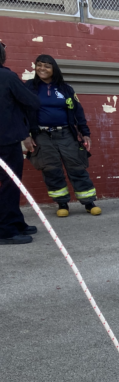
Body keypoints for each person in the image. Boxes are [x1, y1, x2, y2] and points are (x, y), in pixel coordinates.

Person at [26, 54, 101, 217]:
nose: (42, 68)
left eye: (46, 66)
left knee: (76, 166)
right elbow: (23, 112)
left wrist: (85, 133)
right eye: (39, 65)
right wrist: (26, 134)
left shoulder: (66, 89)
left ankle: (89, 203)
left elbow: (78, 112)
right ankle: (62, 204)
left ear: (54, 69)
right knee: (51, 169)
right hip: (42, 135)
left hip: (66, 133)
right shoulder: (29, 87)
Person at [0, 42, 40, 245]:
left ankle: (15, 221)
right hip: (6, 141)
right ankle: (6, 230)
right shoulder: (7, 77)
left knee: (8, 184)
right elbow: (32, 101)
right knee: (10, 184)